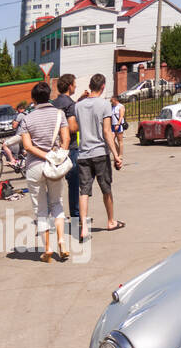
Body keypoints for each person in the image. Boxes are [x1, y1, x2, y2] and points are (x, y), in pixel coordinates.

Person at [20, 81, 71, 262]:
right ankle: (62, 242)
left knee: (40, 210)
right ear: (49, 96)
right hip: (54, 167)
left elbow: (27, 146)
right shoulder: (59, 114)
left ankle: (48, 249)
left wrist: (43, 155)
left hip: (34, 167)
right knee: (57, 203)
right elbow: (66, 139)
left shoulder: (27, 119)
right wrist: (55, 157)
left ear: (33, 99)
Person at [74, 73, 124, 239]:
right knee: (106, 188)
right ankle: (111, 221)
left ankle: (84, 229)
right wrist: (116, 155)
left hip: (83, 154)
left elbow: (74, 127)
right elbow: (107, 132)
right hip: (100, 153)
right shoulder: (104, 105)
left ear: (90, 86)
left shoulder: (78, 106)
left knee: (84, 191)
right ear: (103, 86)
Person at [51, 74, 81, 233]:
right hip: (70, 149)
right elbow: (72, 128)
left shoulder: (53, 104)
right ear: (69, 86)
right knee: (74, 185)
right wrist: (79, 123)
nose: (75, 87)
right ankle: (76, 219)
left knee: (55, 187)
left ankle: (57, 218)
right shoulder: (70, 105)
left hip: (54, 150)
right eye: (74, 84)